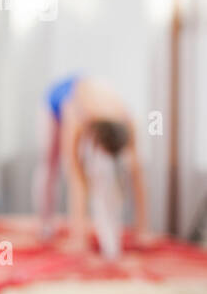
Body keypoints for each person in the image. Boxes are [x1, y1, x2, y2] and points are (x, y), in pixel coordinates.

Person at [34, 73, 149, 257]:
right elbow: (75, 174)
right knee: (50, 162)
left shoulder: (128, 121)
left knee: (105, 177)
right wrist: (78, 237)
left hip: (94, 97)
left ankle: (83, 231)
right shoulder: (76, 117)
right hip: (59, 98)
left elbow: (137, 174)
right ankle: (45, 225)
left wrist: (142, 229)